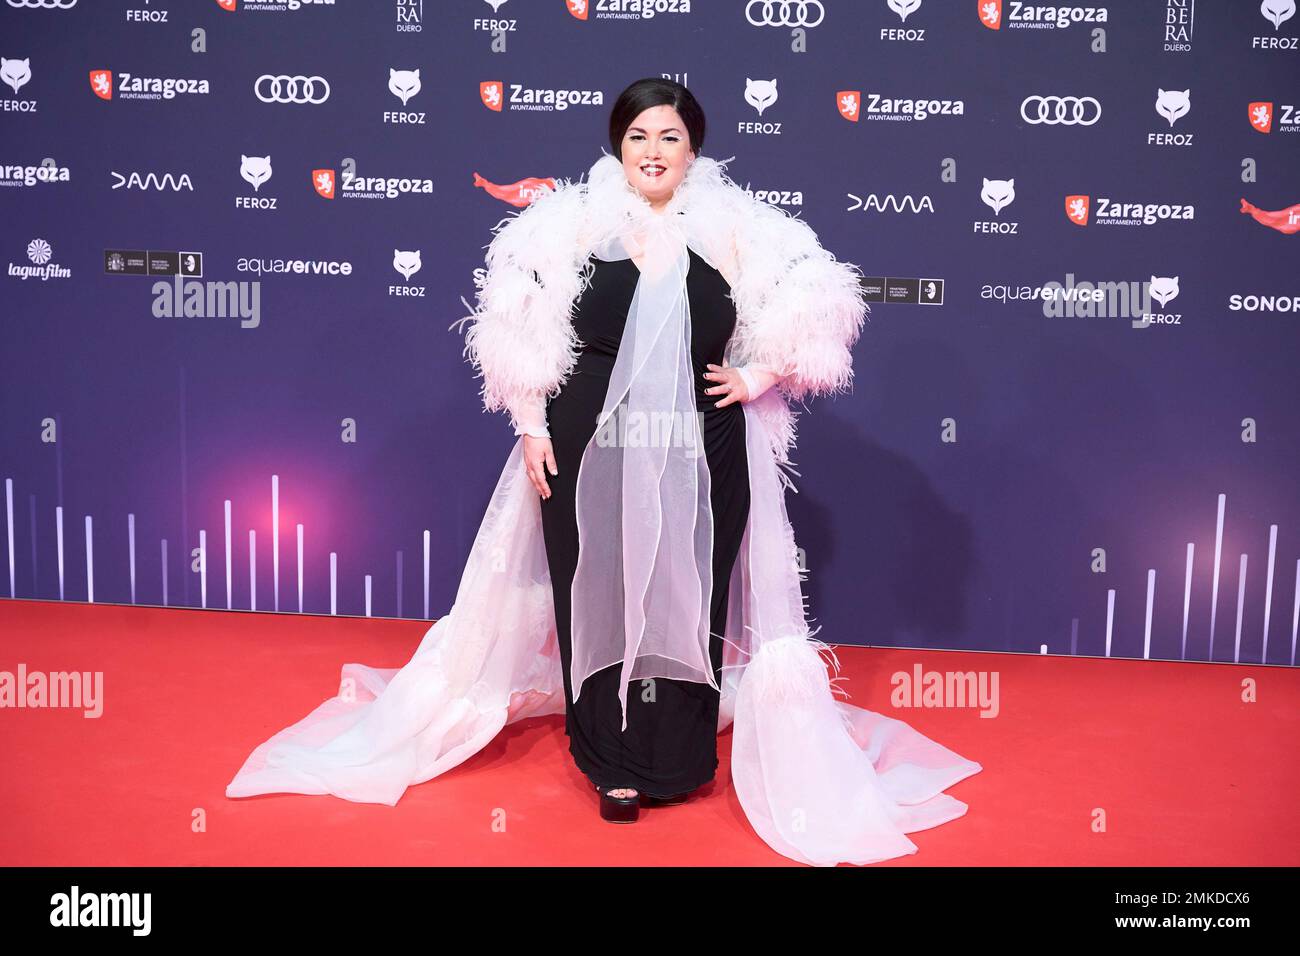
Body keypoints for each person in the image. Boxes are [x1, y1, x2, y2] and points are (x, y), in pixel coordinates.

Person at [225, 78, 982, 867]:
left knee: (690, 598)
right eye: (638, 138)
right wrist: (528, 424)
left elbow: (820, 298)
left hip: (705, 442)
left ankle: (677, 757)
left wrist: (759, 376)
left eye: (670, 138)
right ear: (617, 146)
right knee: (597, 593)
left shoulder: (738, 229)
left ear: (694, 148)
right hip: (588, 440)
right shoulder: (568, 226)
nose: (653, 153)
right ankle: (612, 762)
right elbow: (515, 323)